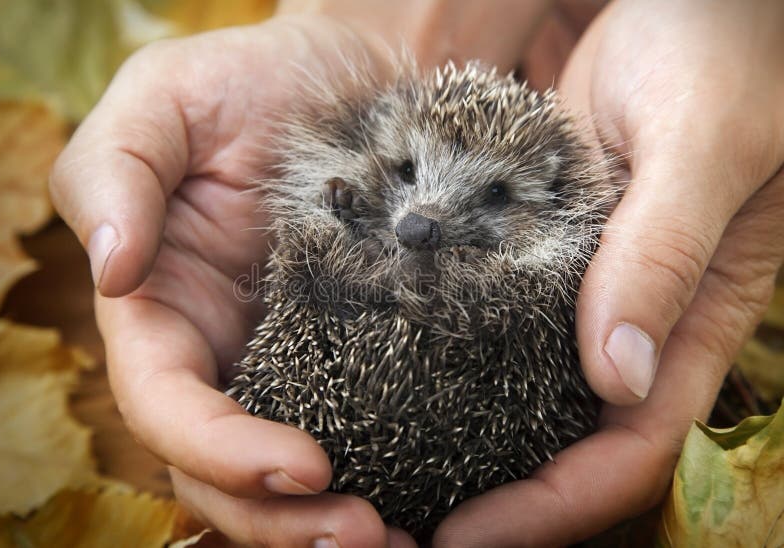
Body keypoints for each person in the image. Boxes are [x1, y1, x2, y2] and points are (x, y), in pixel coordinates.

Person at [49, 1, 784, 546]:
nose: (421, 216)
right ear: (385, 149)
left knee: (509, 302)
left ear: (557, 194)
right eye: (406, 172)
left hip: (482, 347)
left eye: (494, 195)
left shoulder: (558, 242)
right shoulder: (357, 172)